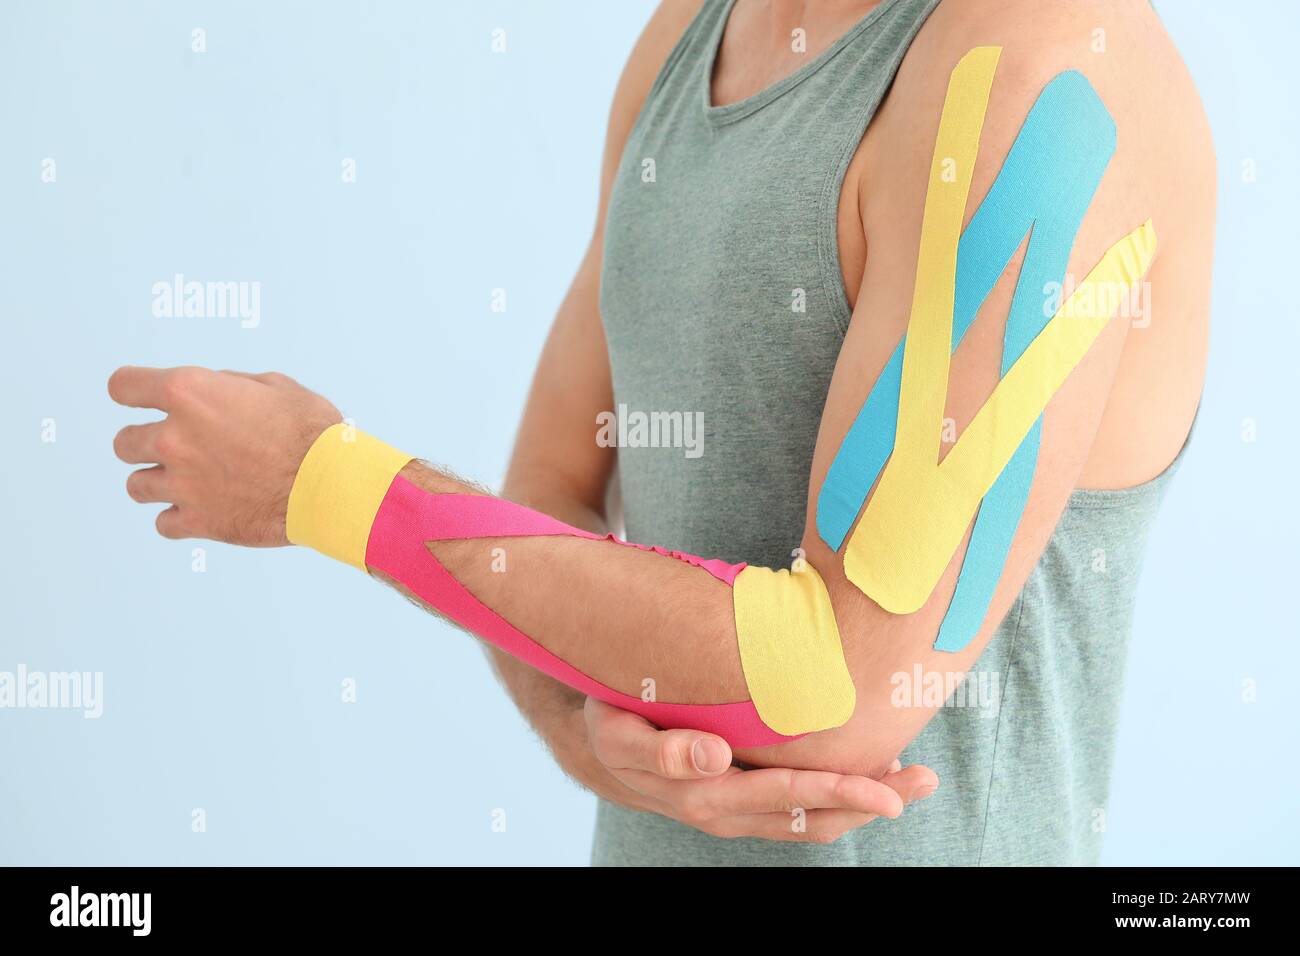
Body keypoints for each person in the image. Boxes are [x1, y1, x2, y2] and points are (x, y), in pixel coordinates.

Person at [109, 0, 1213, 865]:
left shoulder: (1047, 66)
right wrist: (583, 716)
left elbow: (834, 683)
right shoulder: (693, 35)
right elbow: (549, 483)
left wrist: (329, 486)